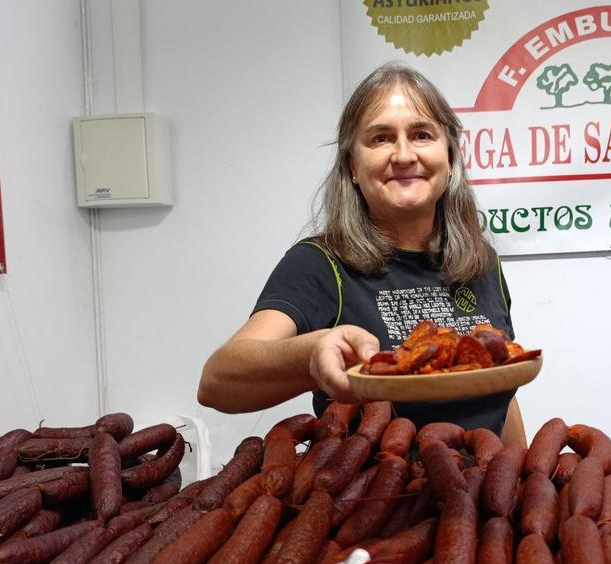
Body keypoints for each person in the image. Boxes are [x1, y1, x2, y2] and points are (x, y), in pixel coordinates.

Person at [197, 63, 526, 446]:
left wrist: (526, 482)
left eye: (421, 135)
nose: (404, 155)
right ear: (353, 165)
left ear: (450, 157)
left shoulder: (481, 262)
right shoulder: (320, 263)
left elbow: (505, 389)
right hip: (371, 500)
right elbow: (216, 383)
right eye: (381, 138)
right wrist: (312, 353)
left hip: (484, 499)